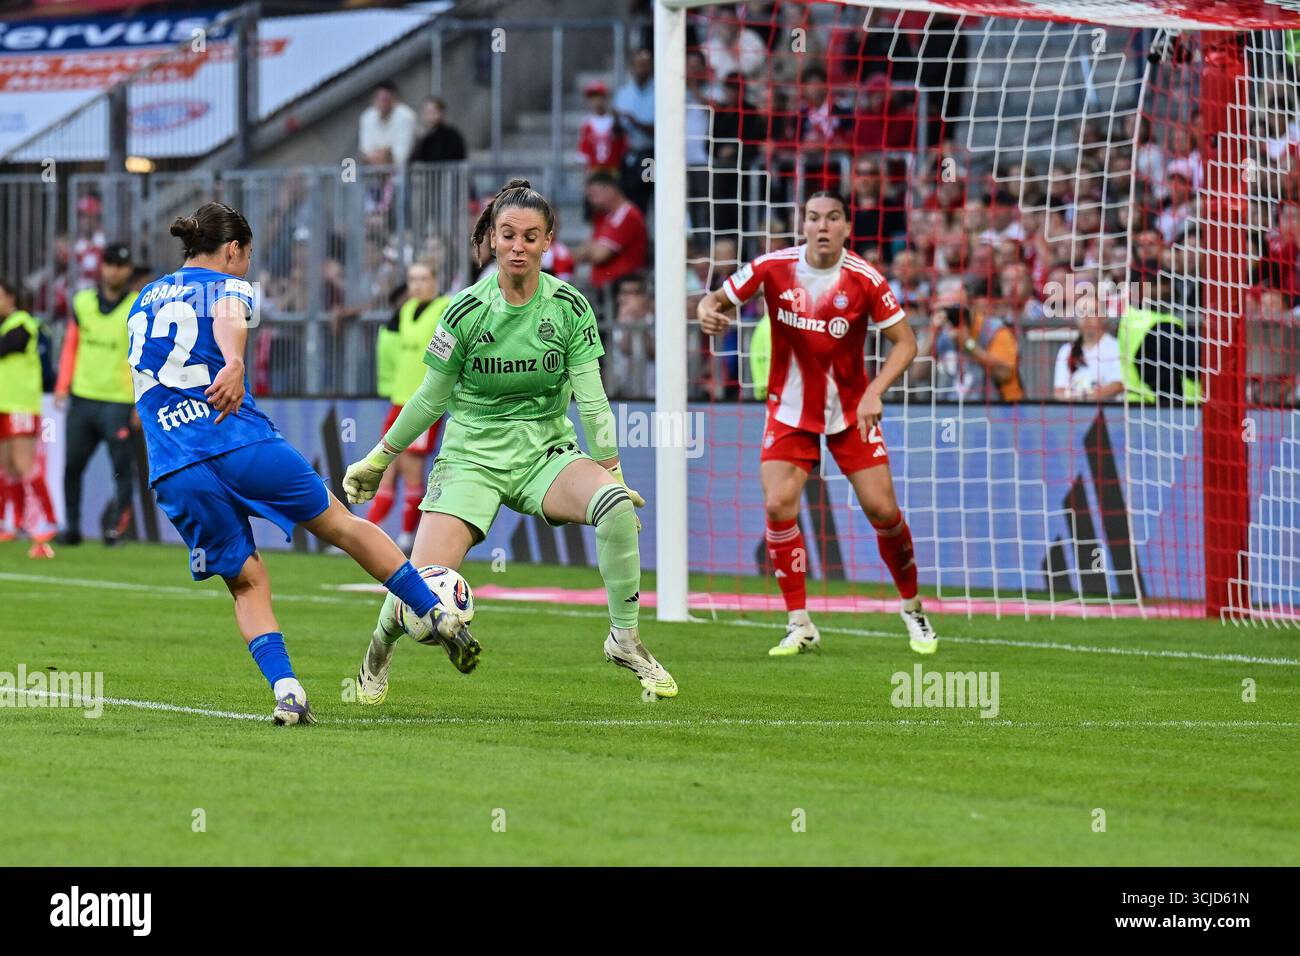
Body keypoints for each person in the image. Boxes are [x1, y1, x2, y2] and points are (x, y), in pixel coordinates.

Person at [130, 202, 472, 726]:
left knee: (246, 583)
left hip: (176, 467)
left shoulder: (143, 301)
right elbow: (228, 320)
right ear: (232, 250)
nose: (245, 265)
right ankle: (433, 610)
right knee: (343, 526)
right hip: (238, 440)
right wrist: (237, 362)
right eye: (245, 255)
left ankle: (287, 691)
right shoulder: (228, 283)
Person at [343, 179, 676, 702]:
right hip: (470, 458)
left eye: (530, 236)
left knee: (613, 506)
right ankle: (377, 653)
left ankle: (625, 638)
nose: (518, 246)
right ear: (492, 240)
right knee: (422, 586)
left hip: (546, 454)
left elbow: (592, 399)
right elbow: (428, 400)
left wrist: (612, 472)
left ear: (548, 242)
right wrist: (378, 458)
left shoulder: (569, 307)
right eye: (508, 235)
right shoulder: (464, 313)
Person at [695, 191, 939, 657]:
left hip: (850, 412)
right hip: (789, 411)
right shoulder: (772, 267)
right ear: (801, 224)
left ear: (847, 227)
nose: (822, 226)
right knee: (778, 502)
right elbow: (715, 300)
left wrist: (875, 390)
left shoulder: (865, 278)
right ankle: (799, 622)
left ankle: (913, 608)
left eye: (832, 218)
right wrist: (708, 313)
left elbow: (906, 343)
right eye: (813, 217)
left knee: (883, 511)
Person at [54, 241, 139, 546]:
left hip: (118, 400)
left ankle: (116, 530)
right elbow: (71, 347)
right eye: (110, 263)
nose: (115, 270)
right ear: (102, 266)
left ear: (128, 270)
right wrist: (63, 386)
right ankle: (73, 527)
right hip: (83, 397)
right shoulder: (83, 302)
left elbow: (144, 358)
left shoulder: (136, 307)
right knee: (72, 466)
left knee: (121, 469)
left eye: (121, 265)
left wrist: (139, 403)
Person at [372, 261, 450, 551]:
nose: (416, 285)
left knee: (413, 466)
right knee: (387, 465)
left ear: (435, 281)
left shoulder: (445, 307)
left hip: (425, 403)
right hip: (399, 400)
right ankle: (372, 529)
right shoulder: (405, 310)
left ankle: (407, 535)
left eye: (423, 278)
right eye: (412, 279)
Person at [0, 278, 58, 552]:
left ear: (11, 298)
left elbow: (6, 346)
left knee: (24, 466)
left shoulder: (23, 324)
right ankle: (13, 523)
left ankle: (48, 521)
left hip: (20, 406)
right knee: (6, 468)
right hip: (3, 405)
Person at [578, 171, 649, 295]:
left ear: (610, 190)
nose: (591, 200)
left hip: (621, 291)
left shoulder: (627, 216)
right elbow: (584, 250)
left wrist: (589, 250)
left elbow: (599, 255)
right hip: (606, 290)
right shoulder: (606, 217)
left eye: (593, 194)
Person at [1054, 293, 1123, 402]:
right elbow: (1059, 391)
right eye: (1082, 312)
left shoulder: (1117, 348)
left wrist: (1085, 398)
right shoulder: (1066, 351)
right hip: (1075, 412)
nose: (1087, 318)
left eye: (1093, 312)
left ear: (1104, 316)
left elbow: (1118, 385)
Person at [612, 47, 655, 210]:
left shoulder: (660, 91)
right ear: (632, 68)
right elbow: (617, 132)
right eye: (638, 64)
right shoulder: (624, 93)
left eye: (645, 64)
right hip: (630, 155)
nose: (642, 68)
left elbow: (660, 130)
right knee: (631, 196)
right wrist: (616, 123)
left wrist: (634, 121)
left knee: (650, 194)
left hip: (650, 155)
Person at [358, 80, 418, 167]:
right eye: (379, 99)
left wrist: (383, 155)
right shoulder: (366, 117)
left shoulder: (406, 117)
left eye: (386, 99)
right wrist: (382, 156)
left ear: (395, 99)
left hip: (402, 175)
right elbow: (365, 152)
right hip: (372, 175)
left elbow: (401, 156)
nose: (382, 104)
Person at [577, 80, 628, 178]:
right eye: (592, 97)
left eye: (599, 96)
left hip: (613, 170)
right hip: (594, 170)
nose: (596, 100)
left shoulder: (614, 121)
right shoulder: (586, 123)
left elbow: (623, 147)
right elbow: (584, 152)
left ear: (605, 98)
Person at [409, 97, 467, 165]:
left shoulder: (451, 135)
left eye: (432, 112)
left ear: (441, 113)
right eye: (425, 112)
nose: (428, 116)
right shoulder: (424, 138)